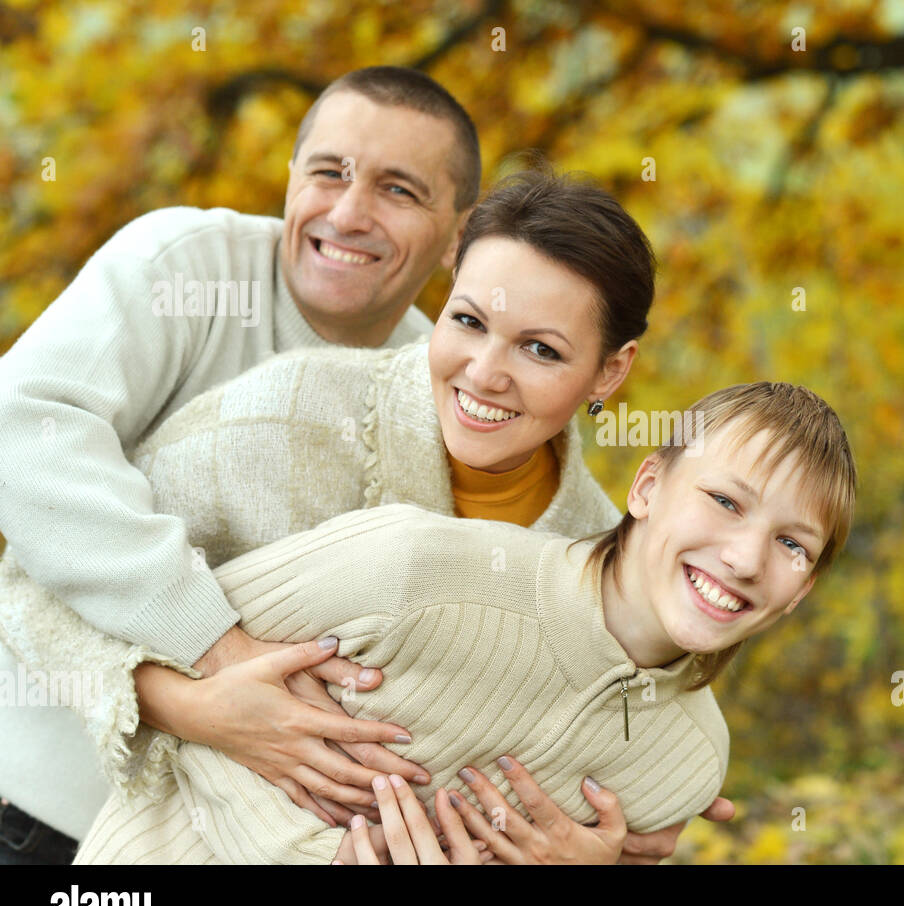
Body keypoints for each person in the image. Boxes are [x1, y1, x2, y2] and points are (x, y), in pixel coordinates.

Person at [0, 167, 730, 864]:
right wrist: (190, 704)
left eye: (540, 349)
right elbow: (30, 586)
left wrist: (606, 838)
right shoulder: (284, 419)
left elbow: (585, 753)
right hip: (70, 833)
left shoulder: (595, 555)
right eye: (468, 320)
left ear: (611, 370)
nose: (484, 372)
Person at [71, 382, 857, 864]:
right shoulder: (412, 566)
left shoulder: (688, 762)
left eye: (793, 543)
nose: (748, 556)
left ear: (802, 589)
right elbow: (151, 653)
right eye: (724, 501)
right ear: (648, 486)